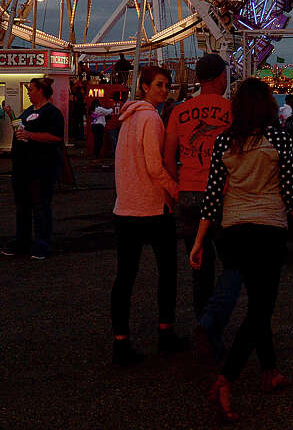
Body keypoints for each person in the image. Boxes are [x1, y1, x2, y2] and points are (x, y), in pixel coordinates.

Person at [189, 77, 293, 422]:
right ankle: (227, 377)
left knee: (258, 302)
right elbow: (290, 191)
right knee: (261, 309)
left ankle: (270, 371)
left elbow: (213, 197)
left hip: (233, 230)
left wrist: (199, 241)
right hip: (268, 229)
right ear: (269, 106)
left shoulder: (224, 140)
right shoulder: (280, 139)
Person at [110, 65, 185, 366]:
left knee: (124, 277)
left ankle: (121, 342)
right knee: (167, 272)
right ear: (143, 87)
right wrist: (176, 190)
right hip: (152, 207)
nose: (164, 91)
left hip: (124, 206)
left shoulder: (126, 118)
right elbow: (155, 167)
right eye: (158, 85)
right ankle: (165, 333)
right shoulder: (151, 118)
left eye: (167, 85)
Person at [164, 54, 233, 354]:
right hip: (223, 196)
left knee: (199, 264)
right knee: (232, 266)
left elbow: (168, 156)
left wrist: (176, 189)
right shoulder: (231, 111)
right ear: (219, 77)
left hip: (190, 194)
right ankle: (215, 326)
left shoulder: (179, 112)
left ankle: (202, 324)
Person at [4, 77, 66, 260]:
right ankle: (22, 243)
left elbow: (56, 137)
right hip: (23, 168)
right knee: (22, 208)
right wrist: (12, 116)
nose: (28, 92)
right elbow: (21, 130)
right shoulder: (29, 111)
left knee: (40, 207)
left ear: (41, 90)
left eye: (31, 89)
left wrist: (31, 135)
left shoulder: (52, 113)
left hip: (42, 168)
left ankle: (42, 244)